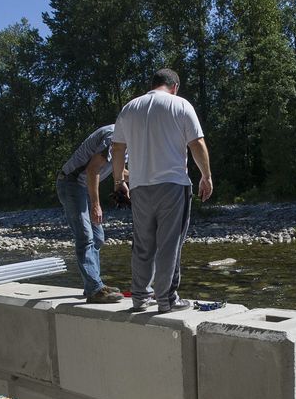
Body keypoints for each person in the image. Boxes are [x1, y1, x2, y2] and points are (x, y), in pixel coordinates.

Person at [111, 69, 212, 313]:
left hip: (139, 186)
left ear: (153, 84)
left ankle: (139, 298)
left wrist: (118, 180)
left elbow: (116, 148)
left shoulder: (129, 108)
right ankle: (167, 299)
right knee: (169, 244)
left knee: (143, 244)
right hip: (173, 185)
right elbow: (196, 143)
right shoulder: (180, 104)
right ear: (174, 86)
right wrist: (206, 176)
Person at [57, 125, 125, 303]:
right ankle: (95, 288)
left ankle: (93, 285)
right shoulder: (114, 135)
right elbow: (92, 170)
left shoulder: (129, 142)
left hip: (83, 187)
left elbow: (119, 171)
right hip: (70, 183)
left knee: (98, 238)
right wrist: (96, 205)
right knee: (85, 236)